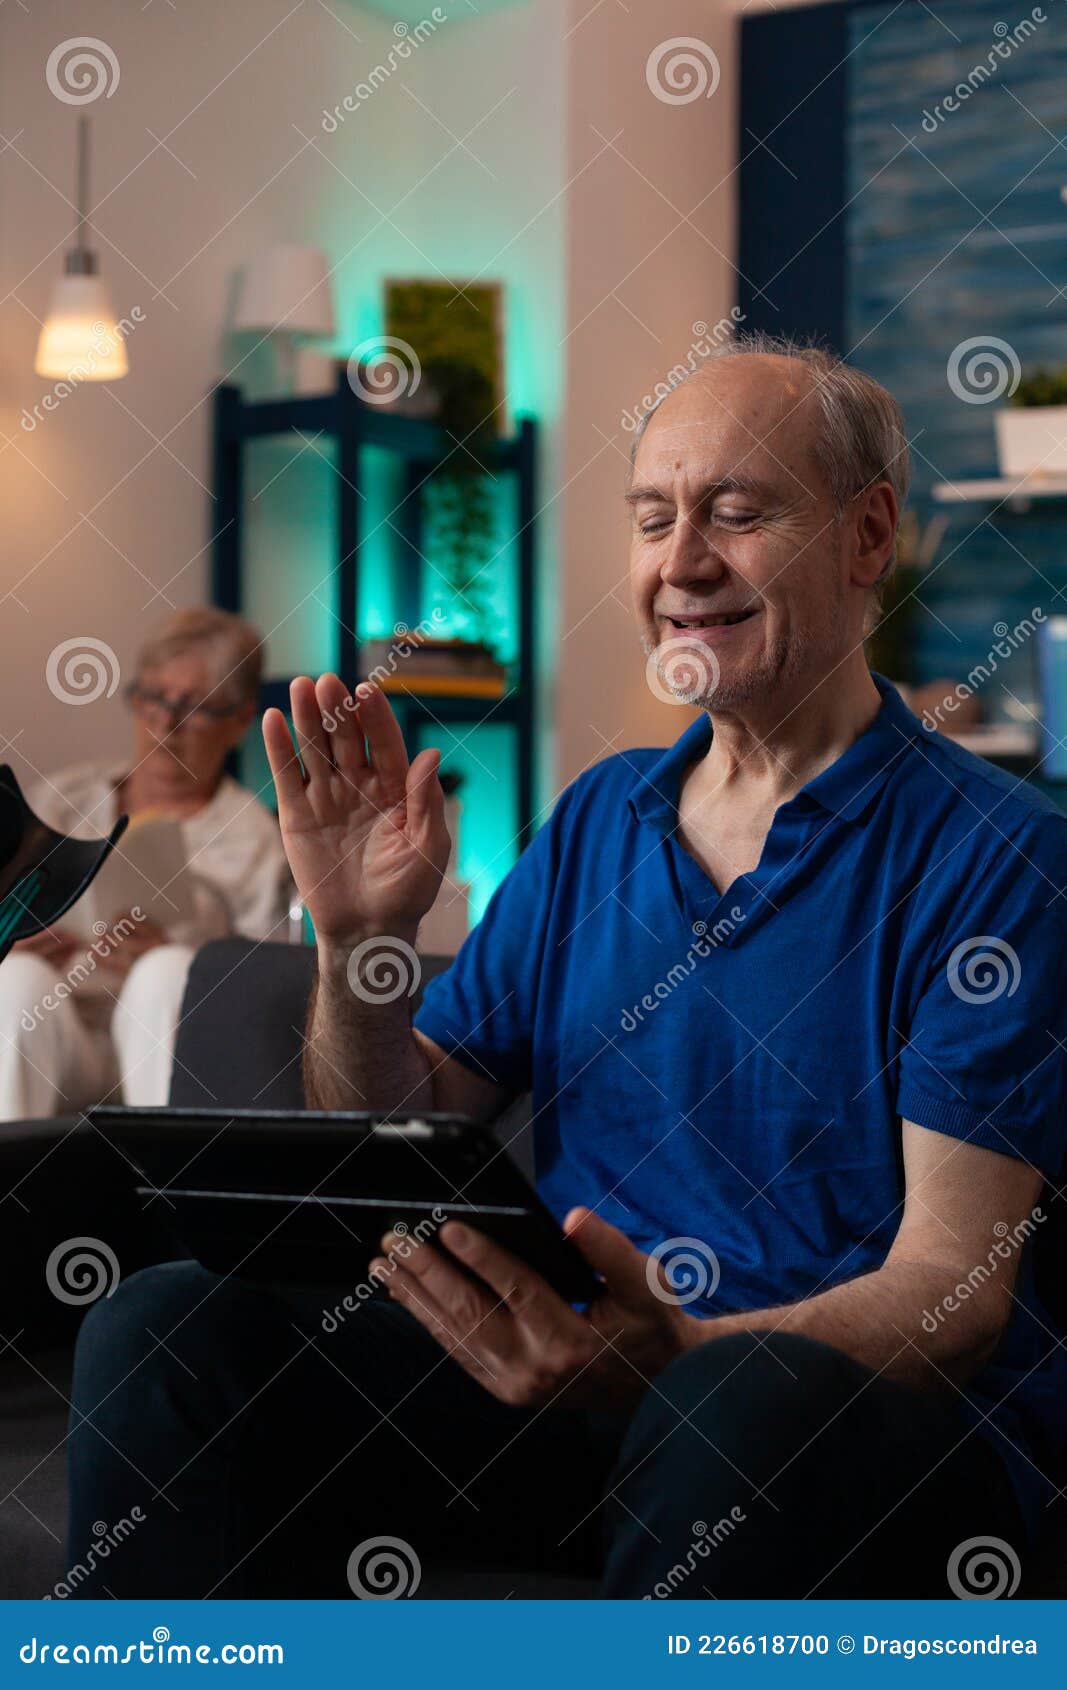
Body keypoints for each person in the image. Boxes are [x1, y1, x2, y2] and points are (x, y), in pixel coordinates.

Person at [67, 336, 1067, 1598]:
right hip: (576, 1395)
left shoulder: (999, 857)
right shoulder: (599, 816)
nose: (680, 562)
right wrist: (359, 942)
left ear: (865, 535)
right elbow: (403, 1112)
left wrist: (677, 1353)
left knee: (732, 1409)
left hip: (842, 1429)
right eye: (651, 519)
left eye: (735, 513)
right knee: (166, 1323)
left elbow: (949, 1293)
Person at [0, 607, 293, 1120]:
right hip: (62, 1029)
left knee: (165, 971)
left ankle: (162, 1164)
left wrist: (185, 956)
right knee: (16, 976)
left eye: (193, 706)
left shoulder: (255, 840)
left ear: (239, 721)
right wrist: (10, 938)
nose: (165, 724)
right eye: (153, 697)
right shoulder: (61, 801)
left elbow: (266, 987)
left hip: (169, 1036)